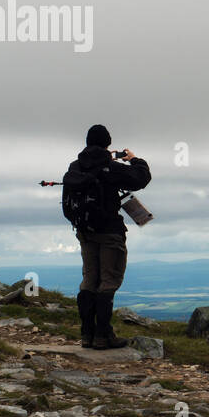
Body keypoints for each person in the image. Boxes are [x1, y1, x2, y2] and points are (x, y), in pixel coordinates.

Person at [63, 124, 151, 349]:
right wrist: (133, 159)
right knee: (109, 281)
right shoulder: (109, 168)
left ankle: (87, 335)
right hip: (110, 232)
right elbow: (141, 178)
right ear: (108, 144)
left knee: (89, 281)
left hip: (84, 232)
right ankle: (103, 336)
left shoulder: (75, 168)